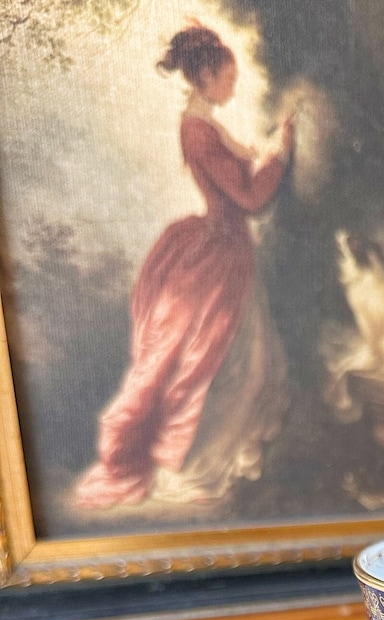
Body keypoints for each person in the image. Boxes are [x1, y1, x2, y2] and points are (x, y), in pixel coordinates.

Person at [76, 25, 294, 508]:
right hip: (219, 257)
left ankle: (213, 461)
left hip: (226, 249)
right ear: (207, 74)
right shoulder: (198, 131)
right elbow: (251, 199)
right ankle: (192, 469)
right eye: (228, 79)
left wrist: (260, 150)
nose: (233, 87)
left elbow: (237, 163)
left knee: (241, 364)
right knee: (226, 367)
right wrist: (281, 157)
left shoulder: (203, 120)